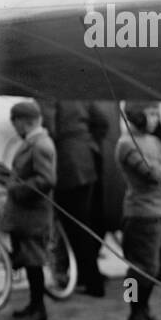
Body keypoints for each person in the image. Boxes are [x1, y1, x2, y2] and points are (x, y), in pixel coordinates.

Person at [115, 103, 161, 320]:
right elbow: (153, 174)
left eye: (154, 113)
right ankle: (134, 313)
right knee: (139, 268)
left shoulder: (154, 141)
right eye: (150, 113)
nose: (153, 118)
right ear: (136, 114)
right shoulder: (125, 143)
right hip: (140, 214)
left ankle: (145, 309)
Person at [3, 100, 57, 320]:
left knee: (34, 264)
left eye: (15, 123)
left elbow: (46, 180)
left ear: (24, 122)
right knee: (29, 260)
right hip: (27, 217)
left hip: (33, 217)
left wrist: (15, 188)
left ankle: (39, 310)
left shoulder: (40, 145)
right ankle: (34, 306)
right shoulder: (34, 142)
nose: (14, 129)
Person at [52, 100, 110, 297]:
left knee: (75, 225)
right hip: (88, 159)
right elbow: (102, 121)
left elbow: (50, 129)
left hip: (67, 163)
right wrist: (89, 141)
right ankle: (90, 276)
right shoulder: (76, 92)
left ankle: (91, 281)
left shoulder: (46, 92)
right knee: (89, 221)